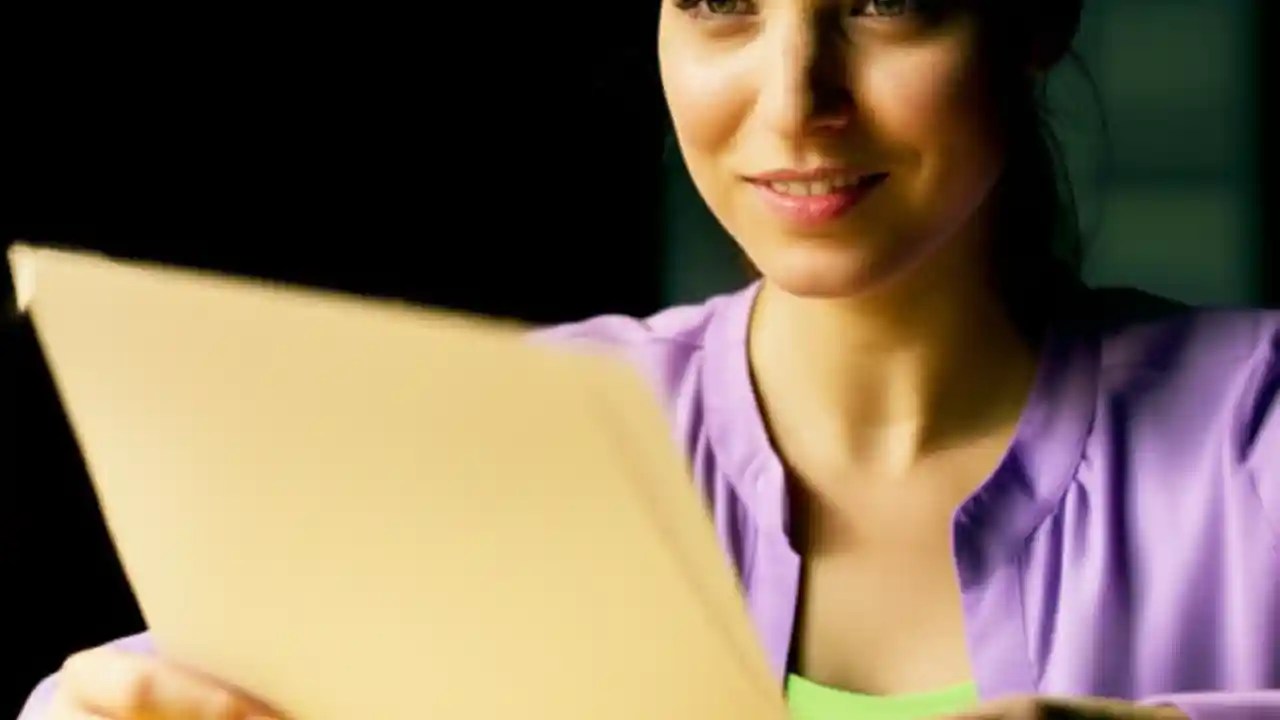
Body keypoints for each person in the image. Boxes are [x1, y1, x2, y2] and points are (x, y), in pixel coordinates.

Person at [20, 0, 1280, 718]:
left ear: (1032, 16)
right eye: (723, 1)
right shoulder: (511, 431)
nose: (795, 96)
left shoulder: (1254, 432)